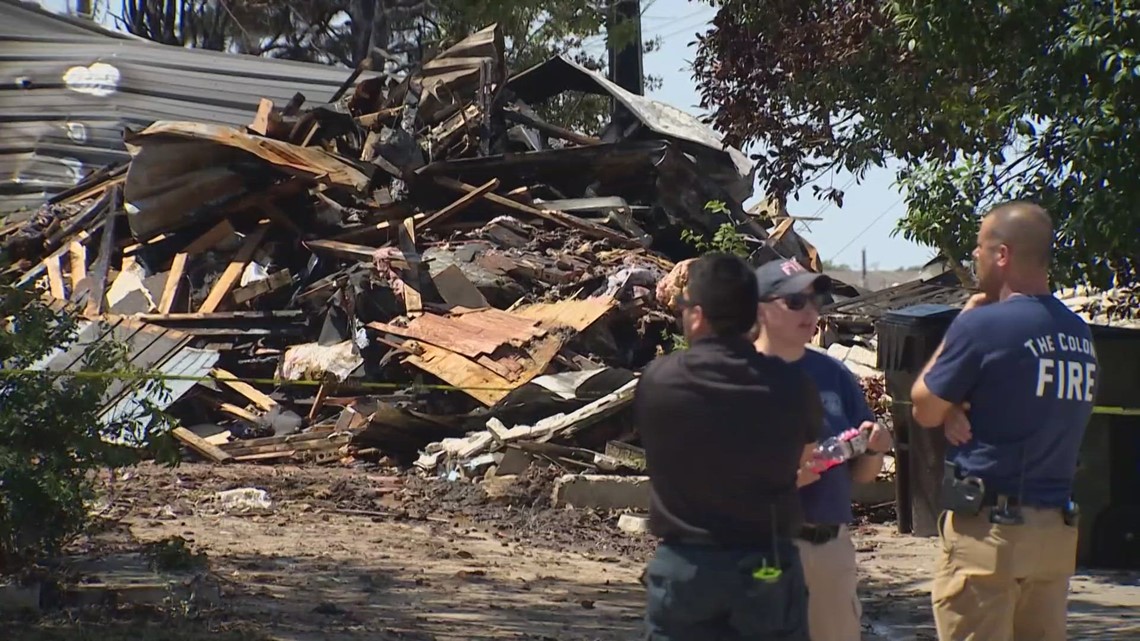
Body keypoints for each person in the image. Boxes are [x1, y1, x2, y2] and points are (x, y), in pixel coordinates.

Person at [910, 201, 1096, 641]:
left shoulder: (984, 325)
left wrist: (964, 320)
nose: (974, 256)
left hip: (991, 533)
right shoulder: (1078, 334)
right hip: (1054, 533)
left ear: (1003, 254)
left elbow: (924, 406)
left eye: (979, 246)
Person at [636, 252, 823, 641]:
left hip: (687, 566)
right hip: (765, 565)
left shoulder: (659, 380)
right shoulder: (793, 387)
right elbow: (804, 461)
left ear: (698, 315)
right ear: (753, 316)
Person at [752, 258, 894, 641]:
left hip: (830, 548)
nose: (811, 311)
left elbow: (862, 476)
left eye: (815, 300)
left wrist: (872, 449)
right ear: (761, 308)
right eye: (795, 302)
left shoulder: (834, 375)